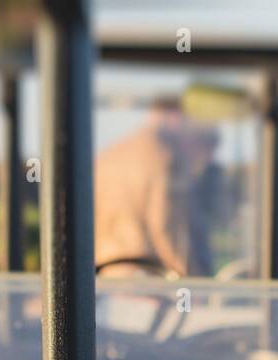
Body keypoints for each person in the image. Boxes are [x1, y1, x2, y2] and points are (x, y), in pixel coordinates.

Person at [94, 106, 219, 278]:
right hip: (150, 281)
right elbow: (169, 228)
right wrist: (192, 283)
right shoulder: (167, 158)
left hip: (108, 276)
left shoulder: (108, 155)